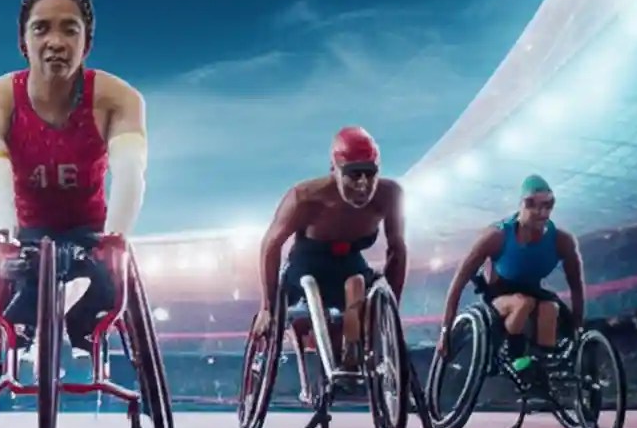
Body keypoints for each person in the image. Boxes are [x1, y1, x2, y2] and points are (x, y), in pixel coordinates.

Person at [0, 0, 148, 383]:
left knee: (112, 279)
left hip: (91, 228)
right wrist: (3, 232)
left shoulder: (119, 99)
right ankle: (14, 333)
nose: (55, 41)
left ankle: (84, 325)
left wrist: (117, 236)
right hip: (27, 229)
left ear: (87, 44)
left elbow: (130, 168)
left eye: (70, 29)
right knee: (14, 282)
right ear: (23, 42)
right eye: (41, 28)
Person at [250, 126, 407, 374]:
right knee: (330, 293)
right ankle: (322, 351)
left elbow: (397, 250)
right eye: (354, 175)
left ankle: (352, 349)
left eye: (369, 174)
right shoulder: (304, 197)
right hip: (307, 264)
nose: (363, 184)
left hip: (350, 263)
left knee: (356, 282)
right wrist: (267, 308)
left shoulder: (389, 195)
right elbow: (271, 245)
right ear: (335, 170)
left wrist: (391, 315)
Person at [436, 174, 585, 387]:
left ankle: (541, 373)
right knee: (523, 302)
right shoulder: (495, 237)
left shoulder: (563, 241)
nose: (541, 212)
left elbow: (577, 287)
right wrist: (445, 330)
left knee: (550, 308)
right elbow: (458, 283)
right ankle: (511, 353)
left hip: (534, 291)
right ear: (522, 205)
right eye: (533, 205)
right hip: (498, 294)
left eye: (548, 205)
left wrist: (578, 327)